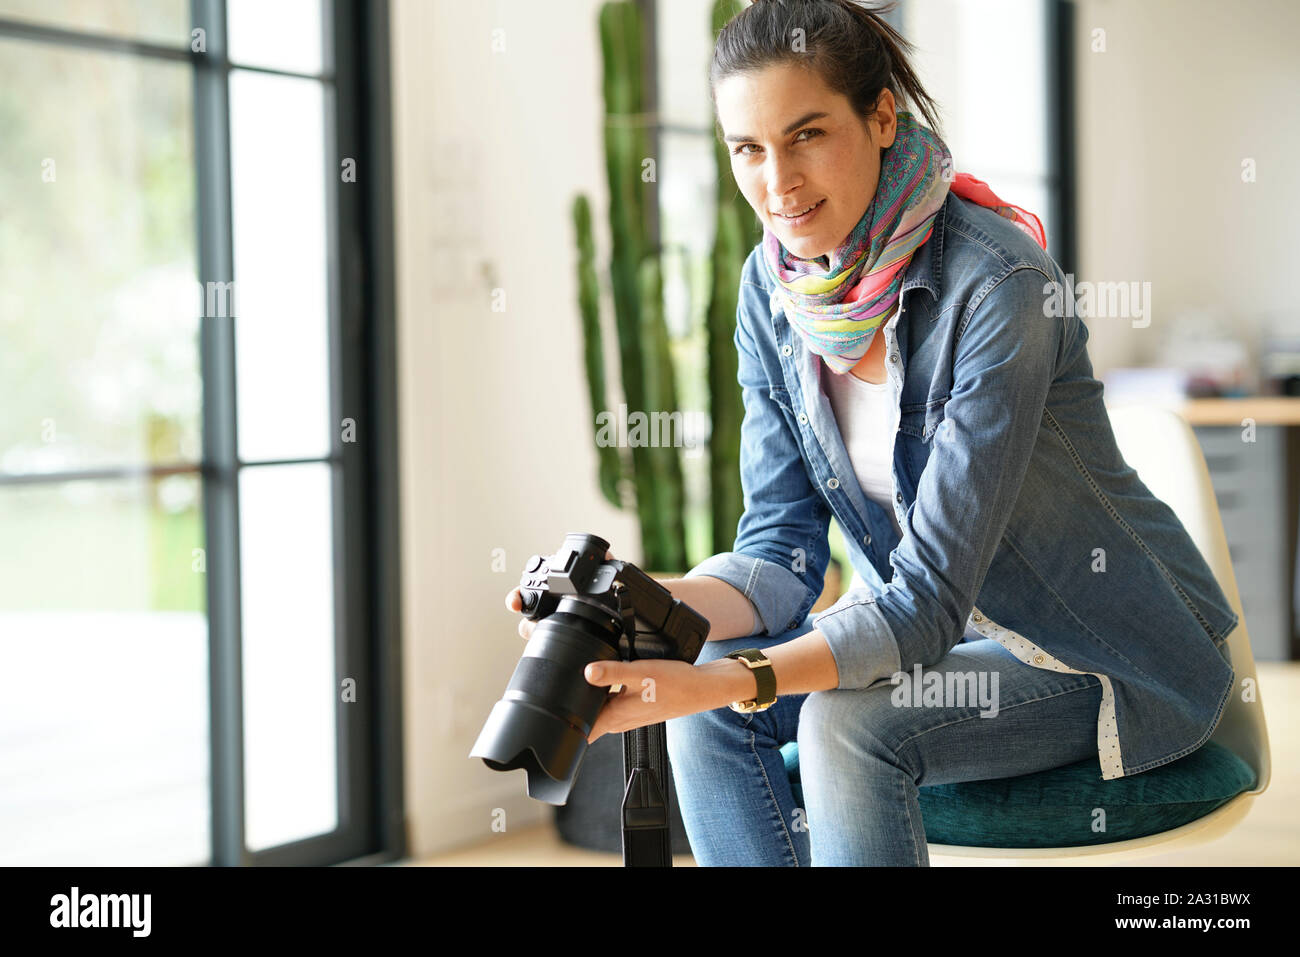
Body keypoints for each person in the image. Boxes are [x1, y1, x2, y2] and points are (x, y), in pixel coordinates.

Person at [510, 0, 1237, 866]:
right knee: (709, 718)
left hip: (1099, 653)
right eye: (748, 147)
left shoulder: (998, 284)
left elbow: (924, 602)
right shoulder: (771, 292)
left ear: (882, 116)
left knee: (845, 726)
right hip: (948, 632)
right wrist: (638, 601)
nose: (777, 181)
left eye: (807, 134)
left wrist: (725, 674)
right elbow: (781, 556)